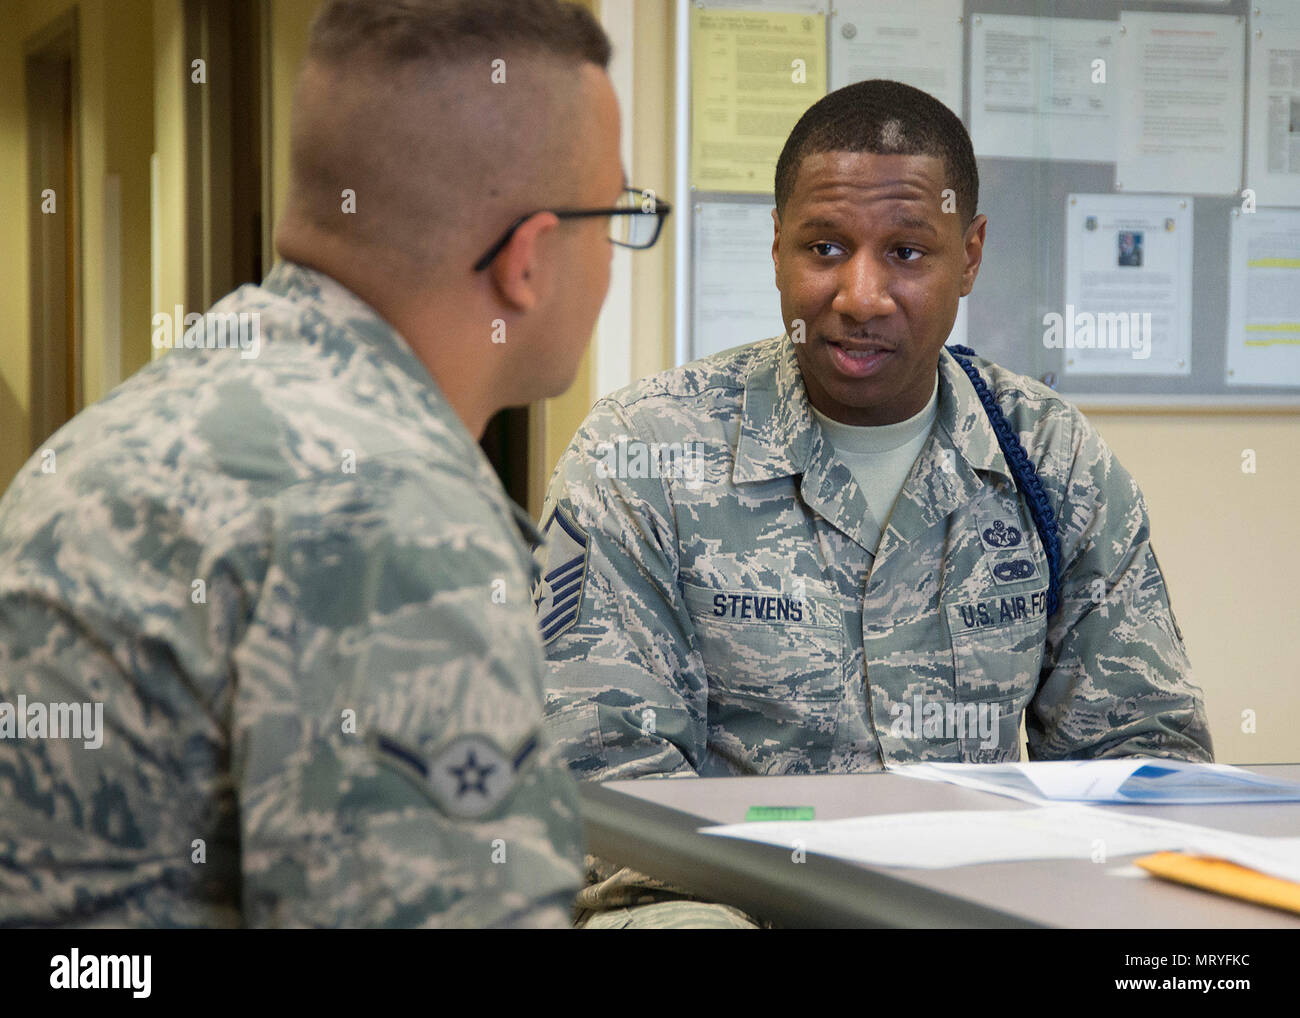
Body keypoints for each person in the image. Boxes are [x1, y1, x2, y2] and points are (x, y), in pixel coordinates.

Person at [0, 0, 666, 928]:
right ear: (531, 258)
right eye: (619, 215)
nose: (616, 258)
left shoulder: (150, 416)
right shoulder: (392, 514)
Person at [536, 79, 1212, 928]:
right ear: (776, 247)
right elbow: (605, 796)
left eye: (906, 252)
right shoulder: (641, 457)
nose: (860, 296)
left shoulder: (1050, 460)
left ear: (969, 254)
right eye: (824, 248)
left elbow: (1140, 757)